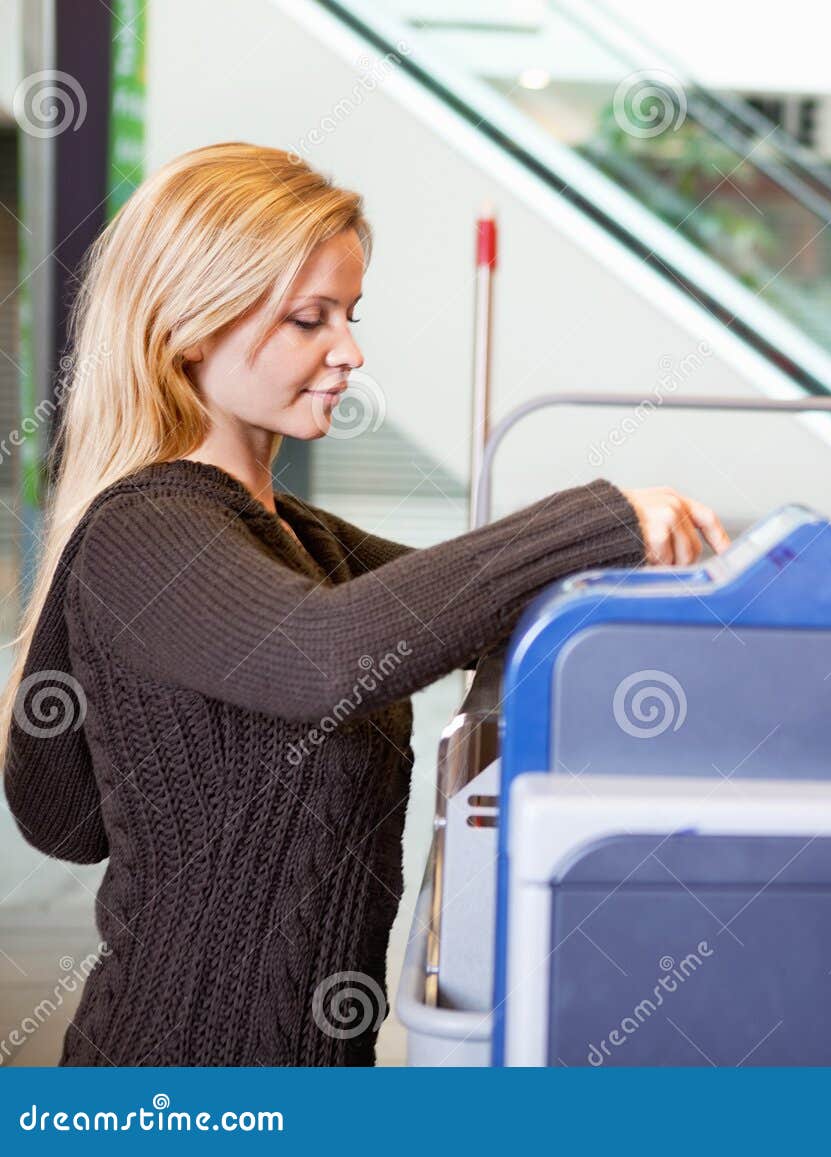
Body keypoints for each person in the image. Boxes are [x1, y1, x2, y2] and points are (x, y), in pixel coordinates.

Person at [1, 142, 729, 1065]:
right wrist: (602, 517)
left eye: (349, 315)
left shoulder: (290, 538)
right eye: (310, 319)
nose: (349, 351)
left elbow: (477, 608)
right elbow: (328, 654)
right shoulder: (146, 533)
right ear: (189, 329)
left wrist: (676, 596)